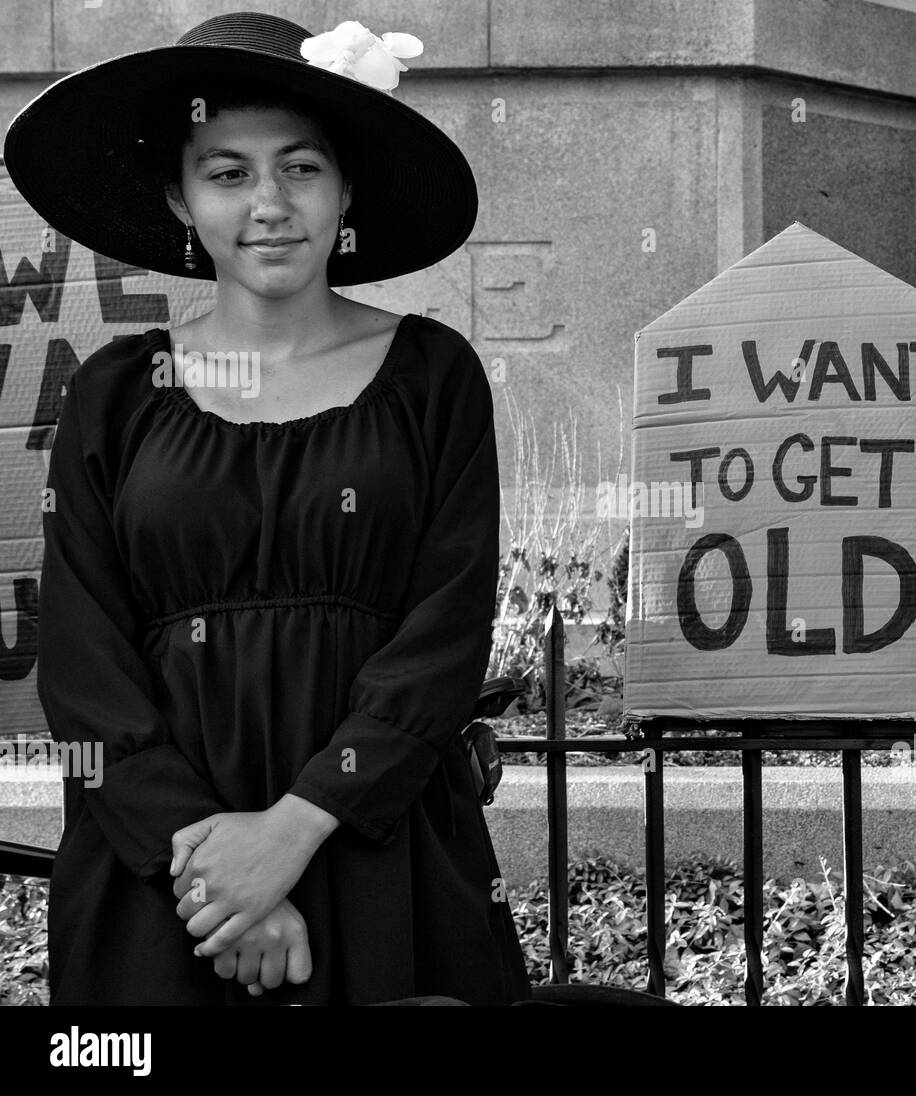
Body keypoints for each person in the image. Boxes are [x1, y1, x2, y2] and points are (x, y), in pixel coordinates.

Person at [8, 13, 530, 1005]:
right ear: (180, 198)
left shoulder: (432, 375)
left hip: (383, 843)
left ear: (345, 191)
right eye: (228, 172)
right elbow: (82, 663)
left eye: (299, 168)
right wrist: (211, 873)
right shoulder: (118, 391)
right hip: (162, 879)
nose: (269, 205)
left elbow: (445, 629)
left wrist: (295, 827)